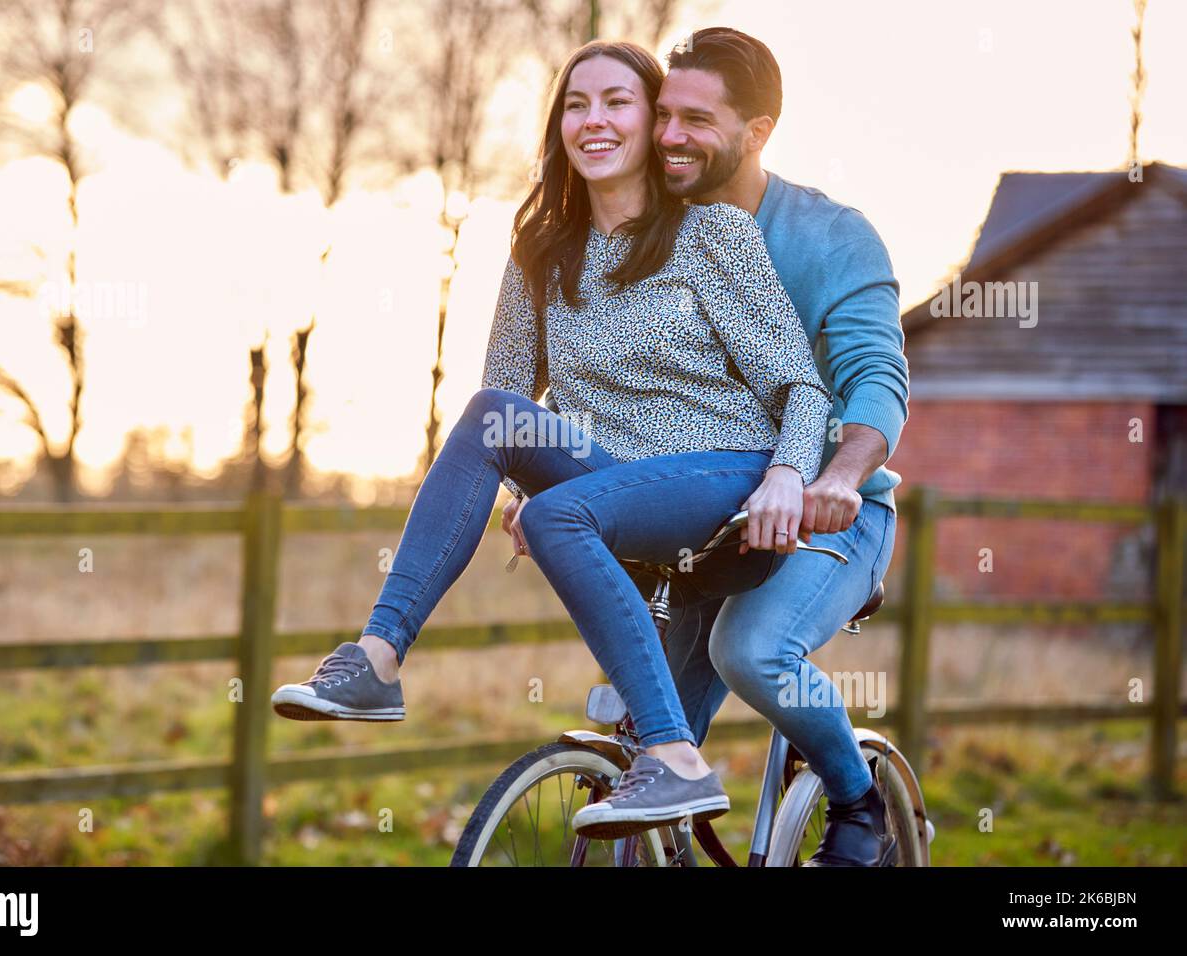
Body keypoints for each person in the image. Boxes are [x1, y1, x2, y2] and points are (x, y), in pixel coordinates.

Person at [271, 39, 832, 838]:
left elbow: (800, 384)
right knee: (490, 413)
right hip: (620, 486)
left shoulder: (712, 236)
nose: (593, 120)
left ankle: (674, 758)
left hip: (729, 481)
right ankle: (378, 659)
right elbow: (503, 405)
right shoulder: (542, 249)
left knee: (555, 516)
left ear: (653, 126)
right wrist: (515, 486)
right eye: (577, 103)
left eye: (617, 103)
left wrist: (787, 475)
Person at [642, 27, 910, 865]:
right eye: (662, 115)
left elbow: (875, 378)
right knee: (647, 743)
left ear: (757, 133)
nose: (669, 137)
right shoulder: (653, 231)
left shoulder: (832, 237)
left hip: (833, 519)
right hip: (703, 518)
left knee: (749, 648)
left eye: (696, 118)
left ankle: (857, 800)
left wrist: (838, 474)